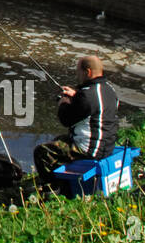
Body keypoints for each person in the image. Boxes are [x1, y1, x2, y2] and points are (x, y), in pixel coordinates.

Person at [33, 55, 119, 189]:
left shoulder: (87, 96)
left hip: (90, 151)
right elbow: (93, 106)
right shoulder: (109, 90)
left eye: (78, 71)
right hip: (107, 146)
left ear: (88, 72)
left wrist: (63, 102)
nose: (77, 74)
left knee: (42, 152)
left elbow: (66, 119)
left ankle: (52, 187)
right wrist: (75, 95)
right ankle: (61, 178)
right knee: (59, 140)